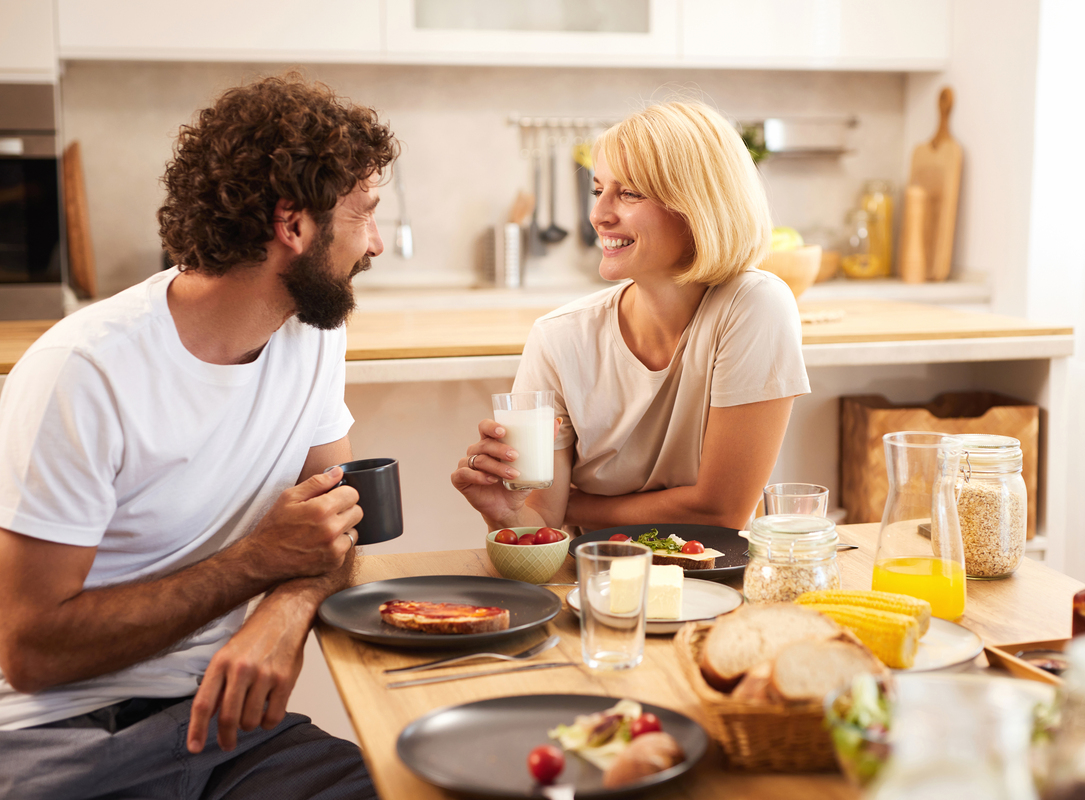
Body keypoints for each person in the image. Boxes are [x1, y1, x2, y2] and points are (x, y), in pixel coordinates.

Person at [0, 74, 396, 799]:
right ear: (295, 226)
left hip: (221, 729)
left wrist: (284, 610)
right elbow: (29, 652)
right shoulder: (83, 372)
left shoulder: (312, 332)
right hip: (53, 740)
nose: (375, 242)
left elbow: (333, 530)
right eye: (364, 214)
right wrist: (252, 567)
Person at [452, 101, 809, 534]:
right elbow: (540, 522)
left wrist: (573, 507)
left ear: (699, 207)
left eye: (630, 192)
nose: (599, 214)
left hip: (714, 576)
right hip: (596, 579)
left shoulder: (755, 305)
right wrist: (507, 513)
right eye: (598, 189)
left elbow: (720, 513)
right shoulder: (559, 338)